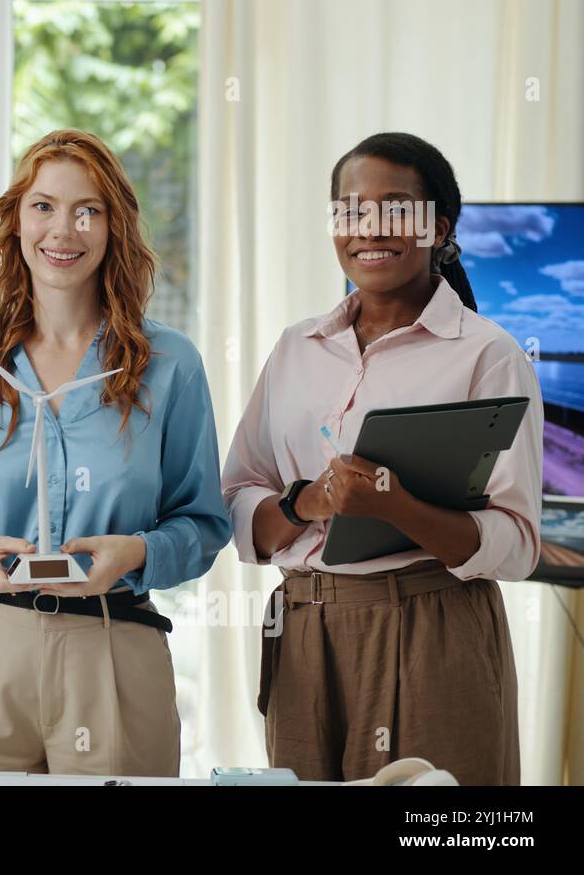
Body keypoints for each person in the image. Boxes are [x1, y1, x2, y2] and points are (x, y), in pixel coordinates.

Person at [221, 131, 543, 785]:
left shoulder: (488, 355)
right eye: (349, 209)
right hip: (305, 632)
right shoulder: (295, 349)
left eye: (396, 208)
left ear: (439, 228)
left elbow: (516, 545)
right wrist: (306, 501)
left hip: (433, 629)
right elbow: (237, 501)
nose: (369, 227)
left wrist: (397, 508)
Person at [0, 129, 231, 775]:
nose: (64, 229)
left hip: (114, 646)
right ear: (16, 221)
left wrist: (136, 553)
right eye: (44, 206)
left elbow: (203, 524)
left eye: (88, 210)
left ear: (114, 226)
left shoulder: (172, 367)